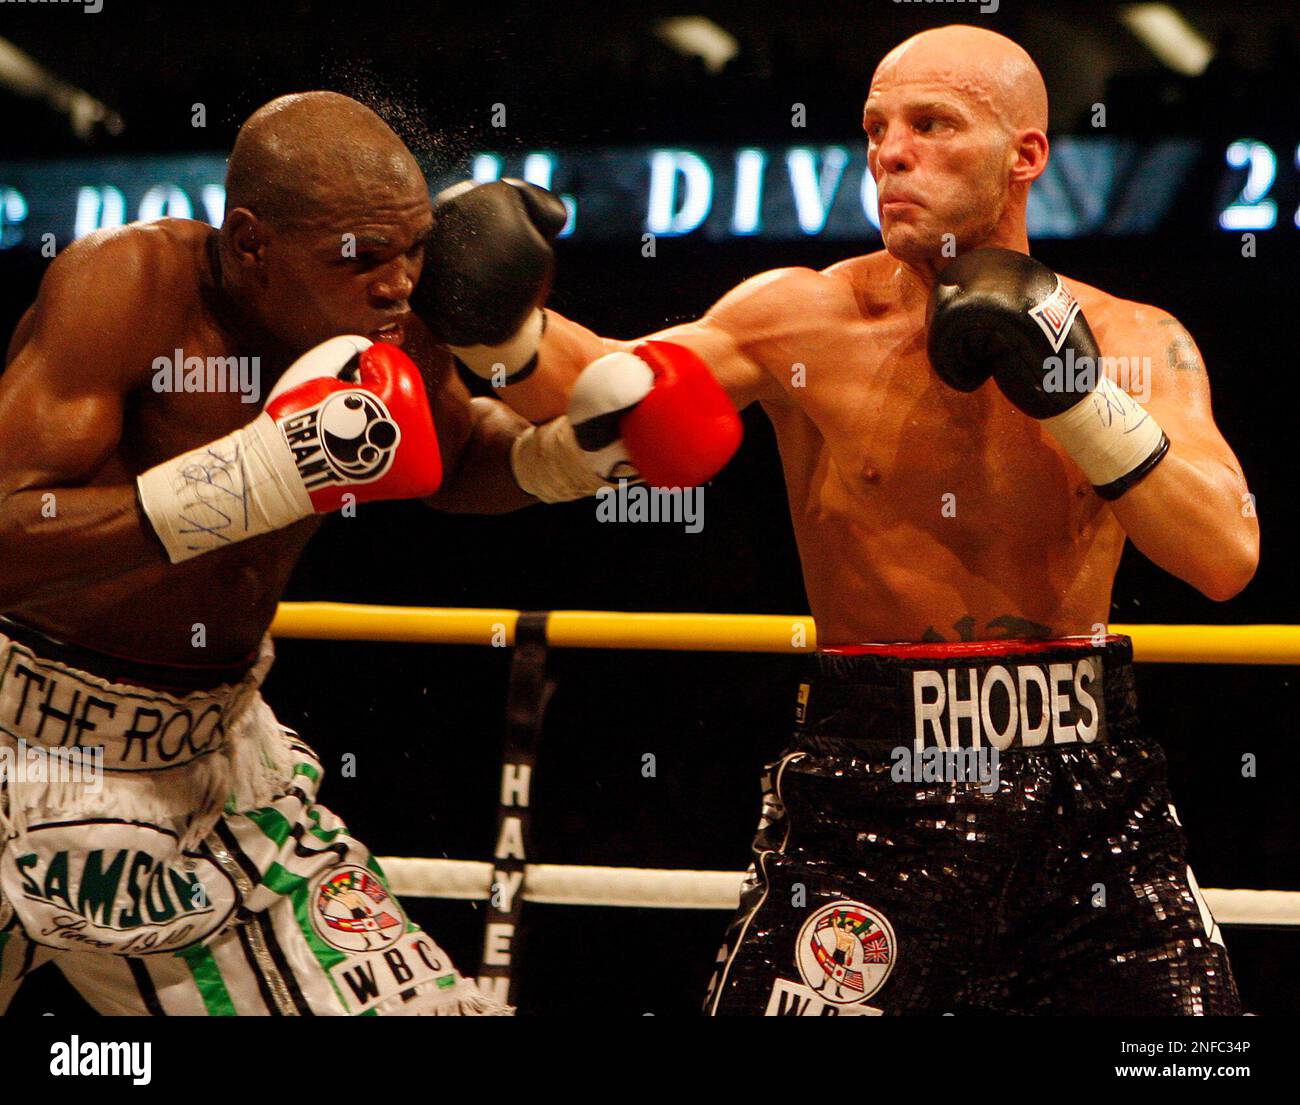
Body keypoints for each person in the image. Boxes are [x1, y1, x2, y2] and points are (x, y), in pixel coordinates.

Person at [478, 25, 1259, 1014]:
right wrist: (502, 324)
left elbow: (1227, 553)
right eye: (876, 128)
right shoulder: (801, 317)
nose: (892, 151)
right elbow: (605, 391)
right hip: (868, 793)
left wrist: (1073, 395)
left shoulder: (1133, 339)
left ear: (1026, 155)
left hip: (1088, 800)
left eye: (933, 124)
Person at [0, 91, 709, 1015]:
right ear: (252, 243)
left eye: (414, 247)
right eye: (363, 257)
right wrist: (251, 477)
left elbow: (452, 460)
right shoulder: (130, 285)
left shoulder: (391, 321)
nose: (399, 282)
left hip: (203, 762)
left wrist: (561, 462)